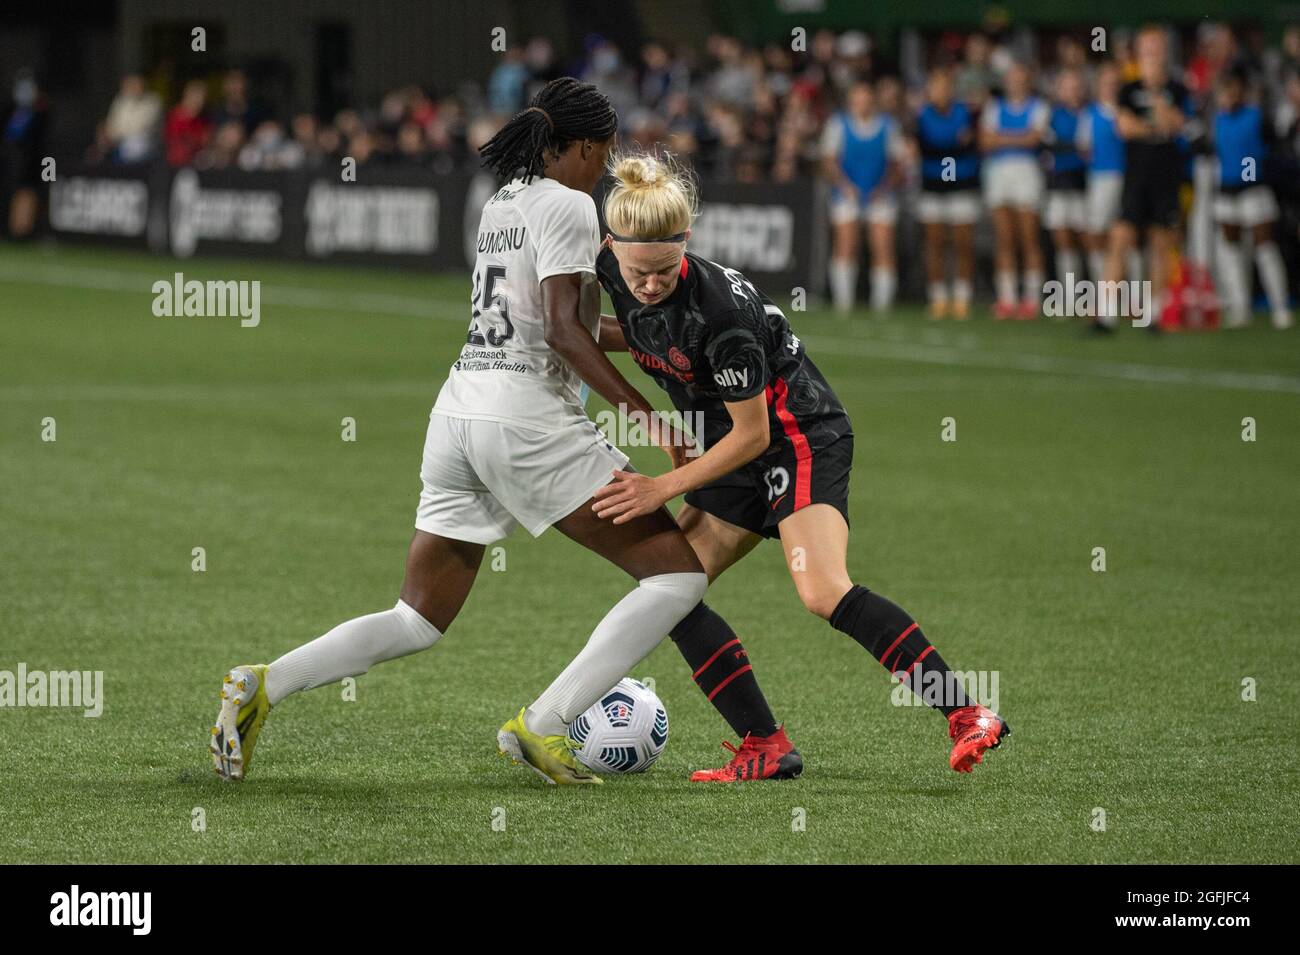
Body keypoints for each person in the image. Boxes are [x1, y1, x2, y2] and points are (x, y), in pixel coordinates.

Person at [209, 79, 717, 788]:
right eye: (600, 152)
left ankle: (263, 683)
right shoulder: (571, 204)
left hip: (457, 414)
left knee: (417, 617)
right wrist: (652, 418)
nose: (602, 168)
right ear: (576, 145)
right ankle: (545, 723)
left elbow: (553, 319)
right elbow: (564, 332)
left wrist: (647, 332)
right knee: (678, 574)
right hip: (526, 423)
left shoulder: (502, 201)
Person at [592, 150, 1011, 776]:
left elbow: (753, 435)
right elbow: (642, 328)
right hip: (731, 442)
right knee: (668, 593)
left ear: (687, 242)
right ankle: (765, 746)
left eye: (663, 270)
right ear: (609, 247)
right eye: (636, 273)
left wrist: (663, 488)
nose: (647, 285)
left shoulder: (724, 316)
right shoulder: (611, 268)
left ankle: (967, 712)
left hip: (795, 437)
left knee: (821, 591)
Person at [1097, 26, 1192, 331]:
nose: (1151, 55)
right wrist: (1156, 129)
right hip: (1136, 175)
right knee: (1120, 237)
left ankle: (1151, 314)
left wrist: (1156, 102)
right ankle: (1107, 313)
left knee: (1160, 242)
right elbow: (1124, 128)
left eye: (1156, 48)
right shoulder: (1127, 89)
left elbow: (1176, 125)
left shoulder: (1177, 89)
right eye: (1146, 49)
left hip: (1166, 175)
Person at [1211, 68, 1293, 329]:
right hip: (1226, 191)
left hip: (1253, 190)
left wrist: (1252, 173)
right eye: (1224, 91)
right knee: (1231, 250)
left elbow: (1274, 148)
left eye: (1233, 89)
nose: (1229, 95)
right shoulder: (1217, 120)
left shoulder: (1256, 117)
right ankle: (1239, 306)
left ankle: (1280, 306)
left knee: (1265, 248)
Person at [821, 77, 906, 314]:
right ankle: (843, 304)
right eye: (858, 101)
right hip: (847, 194)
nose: (862, 105)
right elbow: (829, 161)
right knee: (846, 245)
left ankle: (882, 306)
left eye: (866, 100)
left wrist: (885, 187)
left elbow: (899, 164)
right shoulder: (838, 125)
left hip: (880, 196)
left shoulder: (889, 126)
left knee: (883, 246)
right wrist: (845, 185)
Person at [979, 62, 1049, 318]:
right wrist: (1019, 137)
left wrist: (1002, 137)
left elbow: (1035, 139)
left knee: (1028, 238)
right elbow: (985, 141)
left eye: (1021, 79)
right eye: (1012, 79)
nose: (1016, 83)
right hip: (999, 173)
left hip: (1027, 173)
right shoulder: (994, 107)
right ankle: (1007, 297)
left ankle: (1031, 298)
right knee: (1004, 238)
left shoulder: (1038, 107)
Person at [915, 65, 981, 319]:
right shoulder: (922, 116)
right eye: (935, 87)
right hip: (933, 184)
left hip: (962, 184)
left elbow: (970, 144)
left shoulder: (966, 113)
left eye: (944, 87)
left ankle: (962, 297)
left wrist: (950, 145)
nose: (939, 92)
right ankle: (939, 297)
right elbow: (928, 146)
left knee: (963, 243)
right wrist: (953, 144)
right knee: (935, 243)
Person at [1077, 63, 1128, 282]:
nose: (1110, 87)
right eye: (1106, 83)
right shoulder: (1090, 115)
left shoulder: (1127, 112)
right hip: (1100, 179)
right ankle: (1103, 287)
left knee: (1128, 235)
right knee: (1097, 233)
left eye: (1114, 83)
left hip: (1128, 178)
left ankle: (1133, 295)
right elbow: (1084, 148)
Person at [1043, 68, 1089, 290]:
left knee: (1088, 240)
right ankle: (1069, 296)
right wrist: (1074, 148)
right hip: (1058, 182)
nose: (1072, 92)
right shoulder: (1052, 114)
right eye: (1067, 87)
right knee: (1062, 240)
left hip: (1085, 182)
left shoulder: (1089, 113)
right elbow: (1046, 144)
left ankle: (1096, 296)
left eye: (1076, 87)